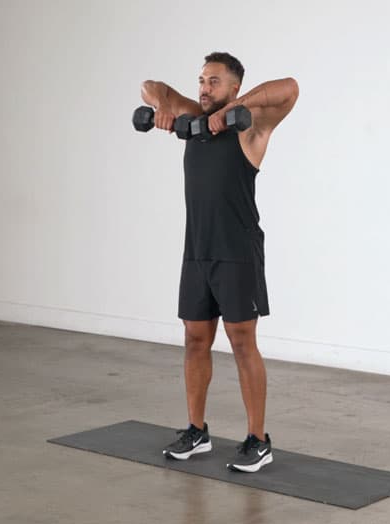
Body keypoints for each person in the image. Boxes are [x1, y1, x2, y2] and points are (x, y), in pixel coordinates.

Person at [139, 52, 298, 473]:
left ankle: (258, 440)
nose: (205, 88)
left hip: (237, 251)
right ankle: (197, 431)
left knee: (242, 343)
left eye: (214, 81)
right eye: (201, 80)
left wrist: (232, 110)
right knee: (195, 340)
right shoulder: (193, 119)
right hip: (197, 250)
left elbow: (290, 88)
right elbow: (151, 88)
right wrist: (162, 108)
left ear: (234, 87)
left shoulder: (250, 127)